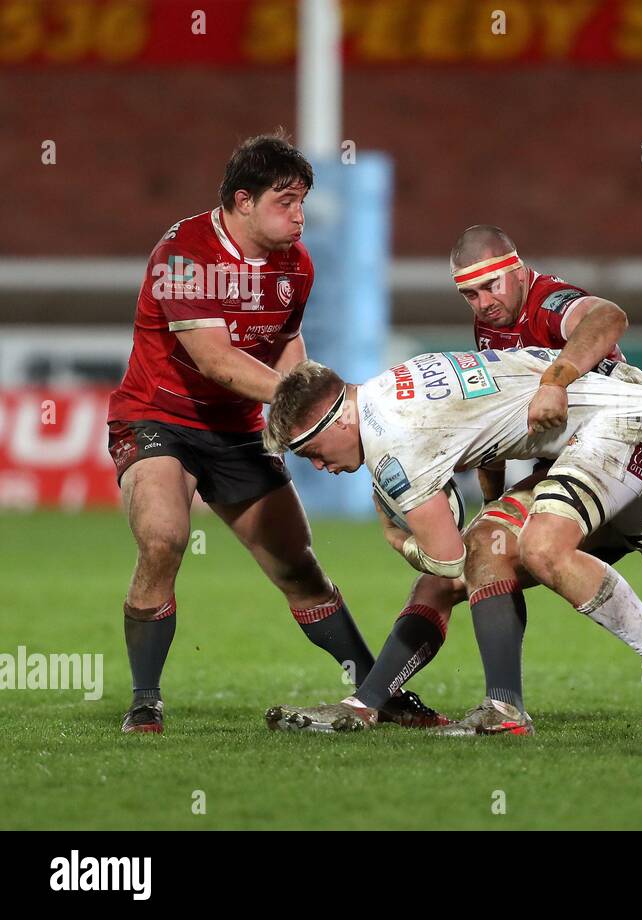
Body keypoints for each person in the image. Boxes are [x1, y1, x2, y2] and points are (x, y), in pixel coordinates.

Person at [261, 345, 642, 740]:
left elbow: (446, 559)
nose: (318, 467)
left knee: (518, 551)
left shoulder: (395, 445)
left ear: (336, 419)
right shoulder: (389, 384)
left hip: (615, 428)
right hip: (616, 415)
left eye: (309, 450)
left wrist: (396, 539)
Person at [106, 132, 440, 734]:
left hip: (236, 430)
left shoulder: (296, 264)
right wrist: (311, 405)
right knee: (163, 538)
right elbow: (215, 360)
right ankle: (145, 699)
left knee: (297, 567)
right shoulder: (183, 253)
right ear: (242, 201)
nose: (300, 215)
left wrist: (302, 430)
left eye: (303, 201)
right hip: (159, 417)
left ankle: (375, 690)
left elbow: (286, 343)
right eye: (285, 201)